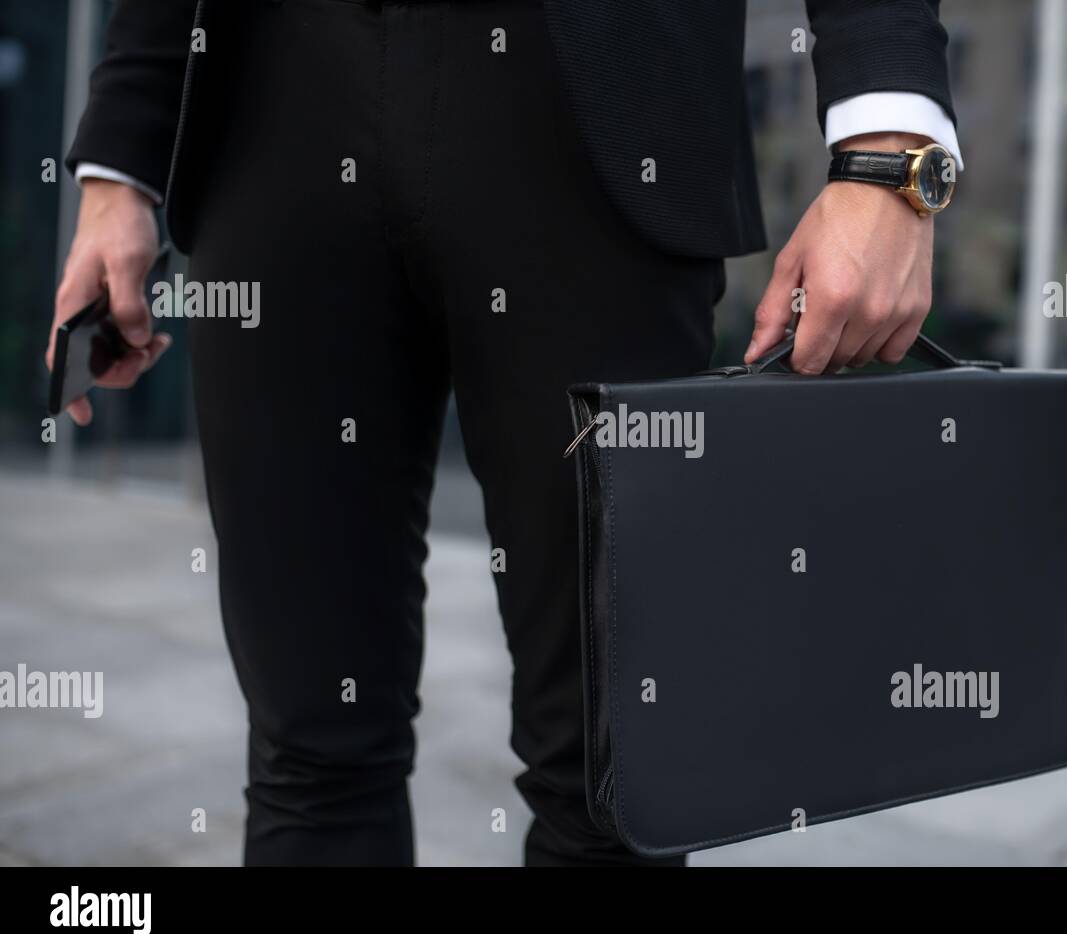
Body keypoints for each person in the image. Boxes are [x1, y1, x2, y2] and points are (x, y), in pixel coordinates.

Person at [48, 0, 961, 866]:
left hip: (598, 100)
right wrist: (119, 168)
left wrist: (890, 141)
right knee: (306, 752)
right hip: (274, 99)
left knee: (612, 779)